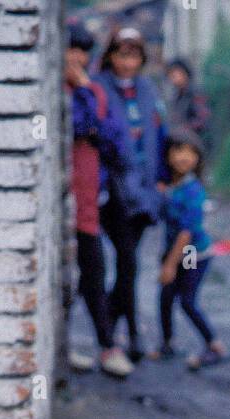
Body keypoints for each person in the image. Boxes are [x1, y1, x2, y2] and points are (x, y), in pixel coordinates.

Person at [65, 22, 134, 378]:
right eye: (71, 51)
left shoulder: (93, 92)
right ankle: (69, 346)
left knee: (93, 274)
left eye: (83, 53)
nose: (77, 59)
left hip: (90, 202)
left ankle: (107, 346)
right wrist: (80, 94)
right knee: (67, 279)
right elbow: (79, 127)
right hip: (63, 206)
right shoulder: (59, 91)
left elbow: (107, 137)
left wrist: (84, 92)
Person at [97, 26, 168, 362]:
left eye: (134, 55)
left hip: (144, 189)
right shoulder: (99, 89)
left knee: (128, 264)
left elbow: (159, 133)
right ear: (111, 55)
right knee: (128, 260)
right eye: (122, 55)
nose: (128, 63)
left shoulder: (147, 90)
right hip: (113, 190)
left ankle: (112, 325)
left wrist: (162, 181)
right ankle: (132, 333)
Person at [154, 132, 226, 370]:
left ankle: (213, 345)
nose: (184, 157)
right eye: (178, 151)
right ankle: (167, 344)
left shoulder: (193, 190)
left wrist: (170, 265)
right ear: (168, 155)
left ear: (197, 158)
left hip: (195, 253)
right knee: (165, 297)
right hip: (175, 250)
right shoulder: (169, 186)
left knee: (186, 301)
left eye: (190, 152)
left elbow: (186, 232)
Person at [164, 58, 210, 141]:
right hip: (181, 143)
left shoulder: (195, 93)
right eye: (170, 75)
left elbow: (203, 120)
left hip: (195, 144)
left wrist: (183, 129)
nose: (172, 78)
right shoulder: (177, 96)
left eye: (174, 74)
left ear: (184, 72)